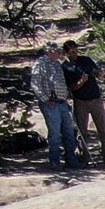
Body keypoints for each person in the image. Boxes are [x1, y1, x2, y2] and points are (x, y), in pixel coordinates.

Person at [28, 41, 82, 169]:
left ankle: (71, 160)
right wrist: (46, 99)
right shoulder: (40, 64)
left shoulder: (57, 64)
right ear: (49, 51)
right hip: (51, 104)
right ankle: (54, 161)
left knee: (69, 131)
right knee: (55, 133)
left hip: (62, 102)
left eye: (59, 51)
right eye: (56, 51)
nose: (59, 53)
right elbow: (35, 84)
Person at [61, 39, 105, 163]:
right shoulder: (66, 67)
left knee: (103, 129)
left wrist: (99, 74)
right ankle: (85, 157)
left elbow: (95, 72)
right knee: (82, 132)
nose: (75, 54)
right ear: (66, 53)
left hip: (95, 98)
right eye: (72, 52)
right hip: (80, 101)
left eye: (76, 51)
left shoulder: (86, 60)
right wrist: (81, 82)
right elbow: (71, 87)